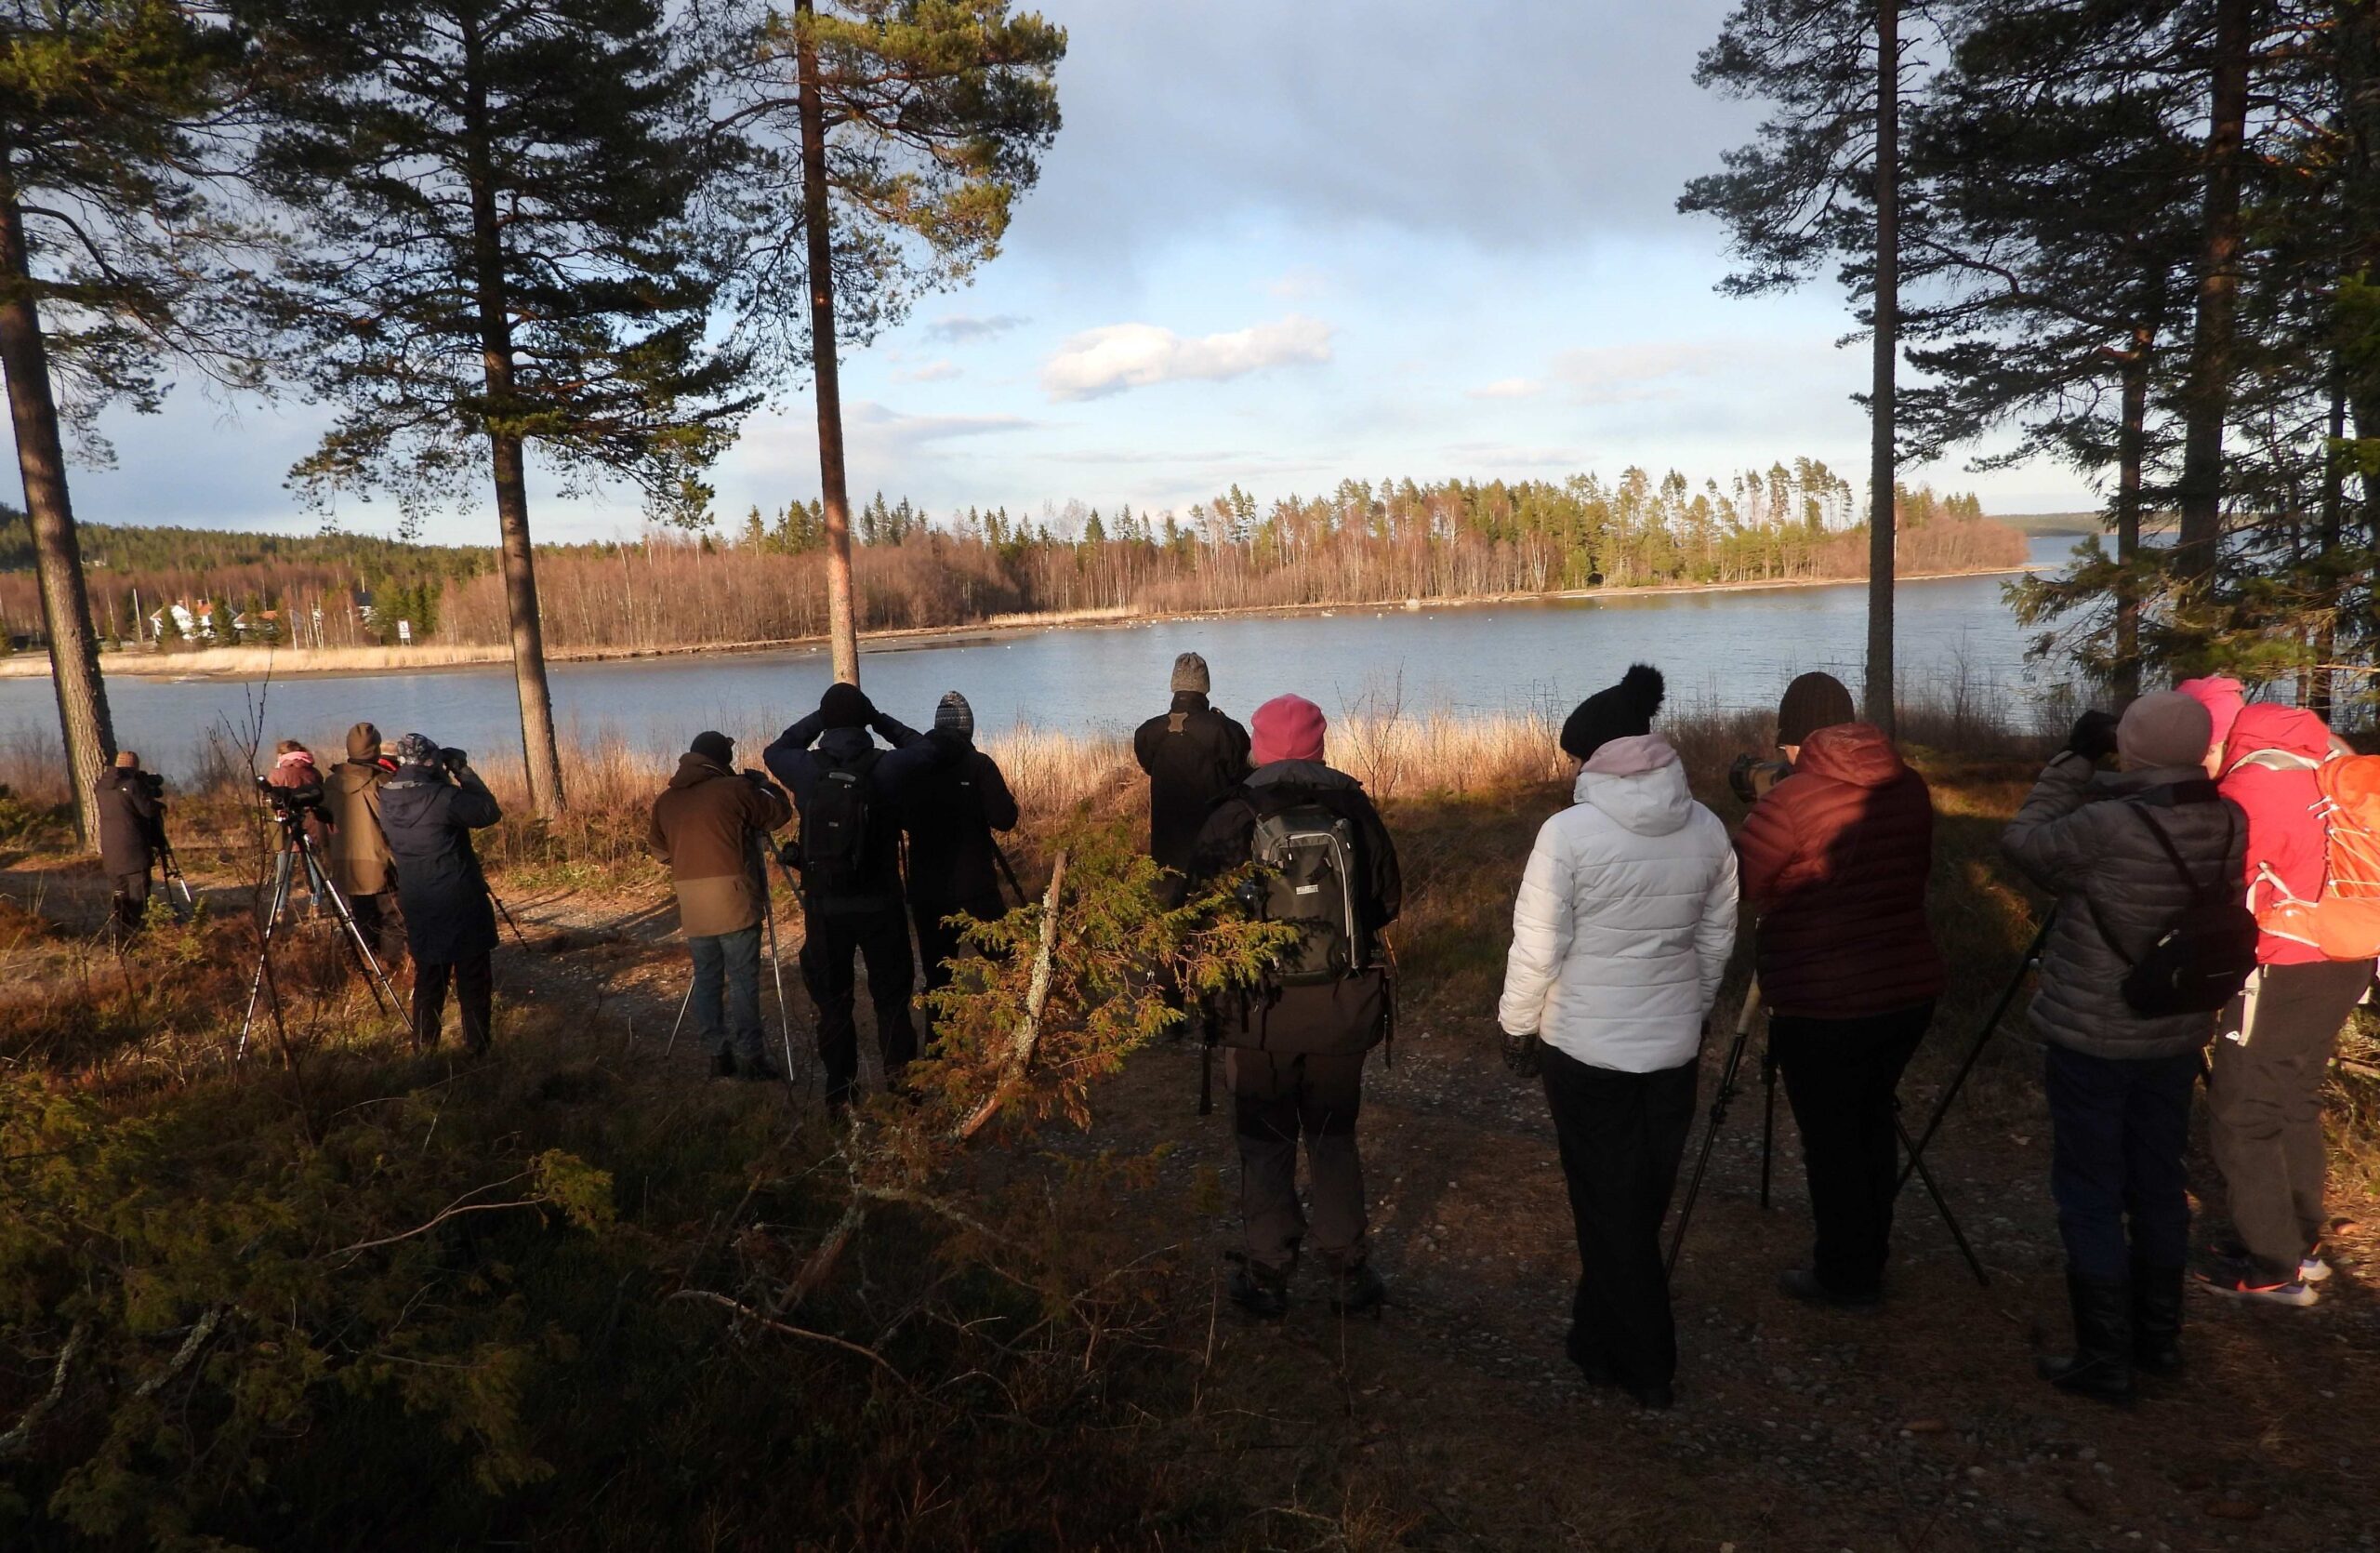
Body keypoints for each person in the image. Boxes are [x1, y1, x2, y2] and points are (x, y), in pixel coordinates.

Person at [1501, 664, 1737, 1411]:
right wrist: (1696, 1008)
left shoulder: (1566, 835)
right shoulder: (1708, 827)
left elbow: (1538, 945)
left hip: (1585, 1051)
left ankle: (1648, 1363)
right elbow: (1716, 940)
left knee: (1607, 1205)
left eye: (1578, 757)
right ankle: (1594, 1341)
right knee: (1636, 1203)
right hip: (1672, 1049)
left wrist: (1516, 1026)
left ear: (1597, 756)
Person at [2002, 693, 2245, 1402]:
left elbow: (2023, 842)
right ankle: (2158, 1339)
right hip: (2175, 1028)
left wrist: (2075, 761)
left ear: (2132, 748)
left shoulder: (2107, 825)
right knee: (2159, 1181)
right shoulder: (2230, 818)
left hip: (2096, 1032)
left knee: (2090, 1187)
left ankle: (2103, 1356)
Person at [1735, 670, 1946, 1309]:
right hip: (1907, 989)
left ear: (1800, 737)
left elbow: (1743, 881)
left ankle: (1844, 1276)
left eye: (1787, 741)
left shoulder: (1791, 802)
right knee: (1872, 1122)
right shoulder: (1908, 785)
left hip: (1822, 1000)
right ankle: (1868, 1256)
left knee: (1831, 1141)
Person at [1190, 693, 1401, 1320]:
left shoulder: (1232, 814)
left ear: (1259, 747)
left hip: (1257, 1013)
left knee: (1265, 1141)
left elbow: (1200, 911)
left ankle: (1268, 1273)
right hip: (1340, 1008)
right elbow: (1387, 901)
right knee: (1333, 1138)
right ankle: (1347, 1273)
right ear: (1319, 744)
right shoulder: (1352, 808)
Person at [2186, 694, 2369, 1305]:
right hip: (2346, 954)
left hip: (2286, 964)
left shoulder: (2254, 786)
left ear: (2215, 740)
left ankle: (2272, 1265)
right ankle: (2299, 1241)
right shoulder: (2316, 757)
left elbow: (2220, 883)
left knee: (2243, 1110)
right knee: (2293, 1096)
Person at [765, 684, 925, 1108]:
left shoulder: (806, 768)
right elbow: (925, 749)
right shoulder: (886, 767)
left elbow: (775, 750)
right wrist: (879, 719)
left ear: (825, 721)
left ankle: (840, 1099)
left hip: (825, 906)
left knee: (834, 1004)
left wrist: (820, 719)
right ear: (864, 719)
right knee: (891, 1002)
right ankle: (903, 1097)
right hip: (881, 904)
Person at [650, 731, 793, 1080]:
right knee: (743, 981)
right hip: (734, 899)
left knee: (707, 979)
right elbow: (778, 815)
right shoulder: (735, 790)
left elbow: (660, 852)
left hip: (692, 904)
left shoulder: (666, 801)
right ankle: (752, 1058)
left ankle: (718, 1055)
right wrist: (767, 786)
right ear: (722, 760)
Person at [881, 692, 1020, 1044]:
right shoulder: (979, 765)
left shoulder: (913, 767)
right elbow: (1005, 818)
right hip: (976, 890)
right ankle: (1017, 1036)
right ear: (968, 729)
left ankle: (940, 1052)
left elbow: (898, 817)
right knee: (1007, 963)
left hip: (928, 893)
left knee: (939, 979)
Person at [378, 733, 504, 1055]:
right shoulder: (443, 798)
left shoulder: (387, 798)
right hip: (459, 898)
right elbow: (488, 812)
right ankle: (477, 1050)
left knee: (430, 977)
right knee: (472, 978)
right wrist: (462, 770)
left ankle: (425, 1049)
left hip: (418, 899)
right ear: (431, 761)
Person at [1135, 652, 1251, 880]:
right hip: (1217, 849)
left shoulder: (1147, 732)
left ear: (1174, 686)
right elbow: (1243, 777)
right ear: (1205, 687)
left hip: (1166, 852)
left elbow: (1148, 766)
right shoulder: (1227, 730)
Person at [324, 721, 403, 965]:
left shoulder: (331, 784)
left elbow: (320, 825)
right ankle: (392, 970)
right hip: (380, 863)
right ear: (375, 749)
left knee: (362, 918)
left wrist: (327, 856)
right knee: (393, 919)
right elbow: (397, 824)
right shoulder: (382, 782)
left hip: (345, 864)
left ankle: (368, 966)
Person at [96, 750, 166, 935]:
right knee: (138, 896)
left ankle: (120, 931)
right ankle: (138, 932)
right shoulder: (132, 785)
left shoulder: (101, 786)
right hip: (134, 850)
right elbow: (148, 811)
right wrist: (154, 800)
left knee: (120, 894)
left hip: (111, 850)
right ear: (134, 767)